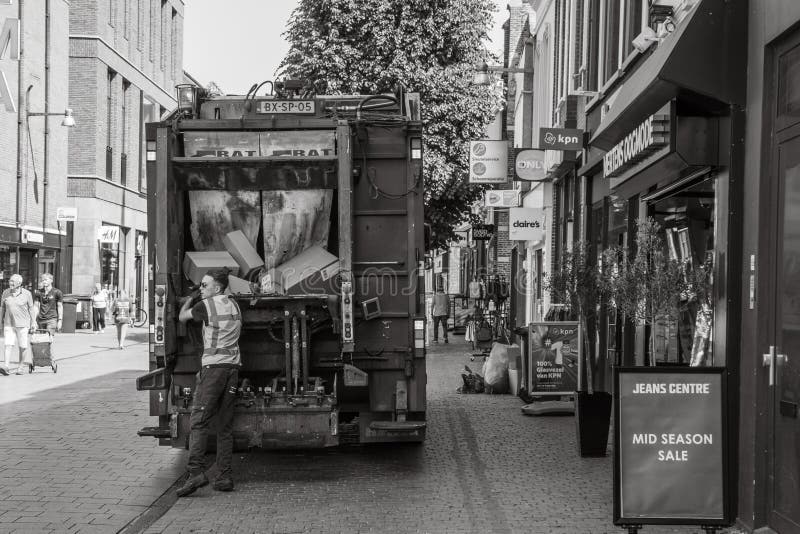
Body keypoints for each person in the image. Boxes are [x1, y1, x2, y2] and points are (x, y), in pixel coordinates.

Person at [176, 269, 242, 497]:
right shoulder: (234, 305)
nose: (201, 289)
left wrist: (190, 299)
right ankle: (224, 476)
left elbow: (182, 317)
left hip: (213, 369)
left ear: (217, 288)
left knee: (199, 422)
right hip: (232, 369)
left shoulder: (206, 305)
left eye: (205, 285)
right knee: (225, 426)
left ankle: (195, 472)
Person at [0, 274, 36, 375]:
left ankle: (20, 367)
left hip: (23, 323)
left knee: (22, 346)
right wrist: (0, 322)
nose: (10, 283)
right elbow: (2, 308)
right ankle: (6, 366)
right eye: (10, 281)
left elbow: (31, 308)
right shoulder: (5, 292)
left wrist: (33, 322)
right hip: (9, 323)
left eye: (13, 281)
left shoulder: (27, 294)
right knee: (8, 344)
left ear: (19, 283)